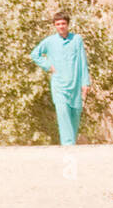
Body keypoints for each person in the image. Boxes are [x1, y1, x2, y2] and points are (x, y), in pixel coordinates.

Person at [30, 11, 91, 146]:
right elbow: (35, 54)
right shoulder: (50, 42)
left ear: (68, 25)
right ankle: (67, 146)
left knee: (75, 116)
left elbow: (82, 61)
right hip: (59, 85)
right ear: (55, 26)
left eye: (63, 23)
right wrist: (48, 66)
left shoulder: (76, 40)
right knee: (63, 114)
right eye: (58, 24)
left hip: (75, 85)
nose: (61, 26)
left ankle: (71, 145)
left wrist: (85, 82)